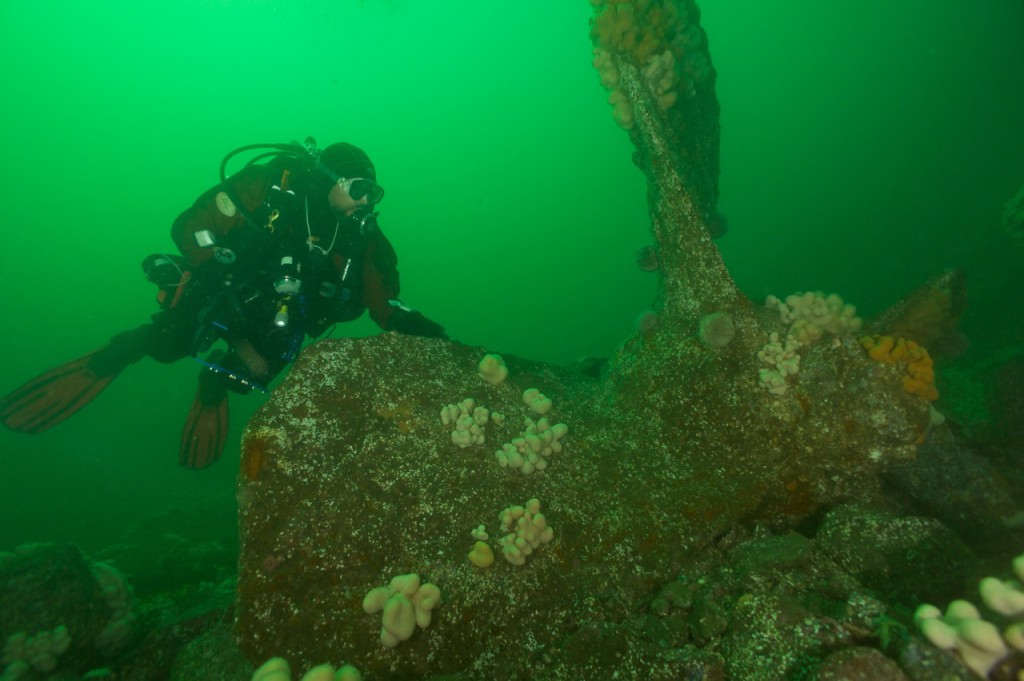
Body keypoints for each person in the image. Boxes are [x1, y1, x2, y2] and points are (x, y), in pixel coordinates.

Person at [0, 138, 447, 468]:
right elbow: (192, 222)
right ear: (331, 180)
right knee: (170, 342)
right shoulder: (269, 188)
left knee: (249, 375)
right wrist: (210, 262)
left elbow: (384, 304)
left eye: (375, 192)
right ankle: (117, 353)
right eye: (361, 187)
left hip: (277, 318)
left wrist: (423, 329)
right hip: (223, 285)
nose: (368, 200)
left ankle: (214, 384)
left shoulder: (361, 240)